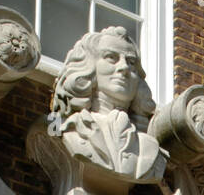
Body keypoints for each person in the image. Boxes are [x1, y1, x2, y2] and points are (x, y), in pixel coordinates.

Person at [50, 26, 166, 183]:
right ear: (89, 66)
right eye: (111, 57)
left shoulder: (151, 148)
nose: (124, 67)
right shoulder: (66, 128)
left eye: (131, 62)